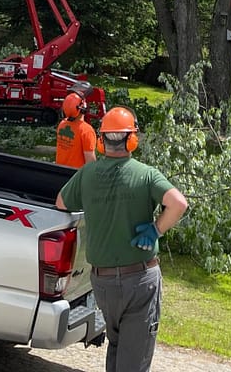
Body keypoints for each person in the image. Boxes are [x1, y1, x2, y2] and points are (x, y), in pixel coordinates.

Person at [55, 106, 188, 372]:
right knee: (134, 359)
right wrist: (155, 230)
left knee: (116, 347)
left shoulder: (87, 174)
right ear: (132, 139)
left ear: (102, 140)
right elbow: (178, 204)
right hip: (138, 281)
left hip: (103, 284)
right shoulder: (146, 174)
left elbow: (60, 202)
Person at [55, 92, 97, 168]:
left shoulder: (62, 124)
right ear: (82, 108)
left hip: (60, 172)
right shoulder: (86, 130)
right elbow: (90, 164)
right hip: (77, 176)